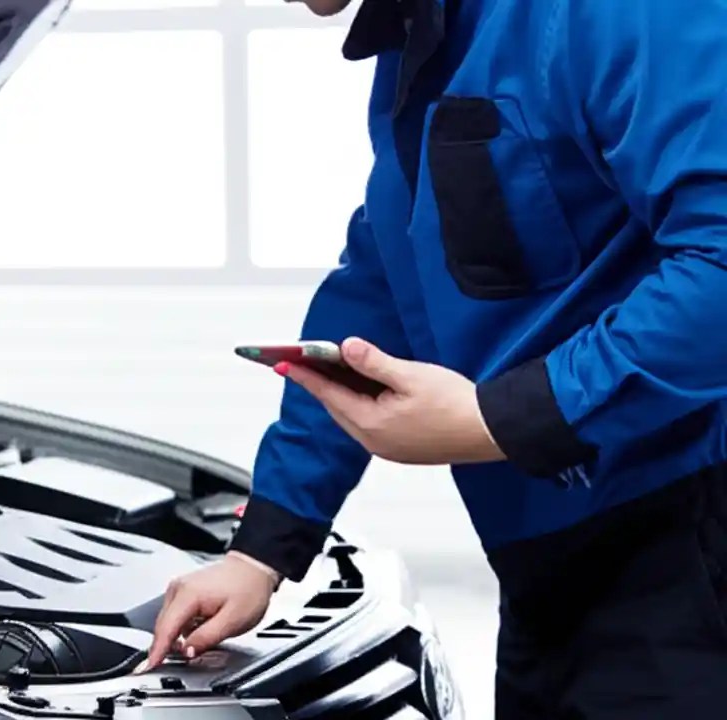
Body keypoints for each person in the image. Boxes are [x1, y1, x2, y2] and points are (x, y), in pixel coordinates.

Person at [143, 0, 727, 716]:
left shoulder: (618, 12)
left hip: (686, 552)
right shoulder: (424, 38)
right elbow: (388, 274)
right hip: (551, 582)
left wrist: (498, 421)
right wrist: (262, 547)